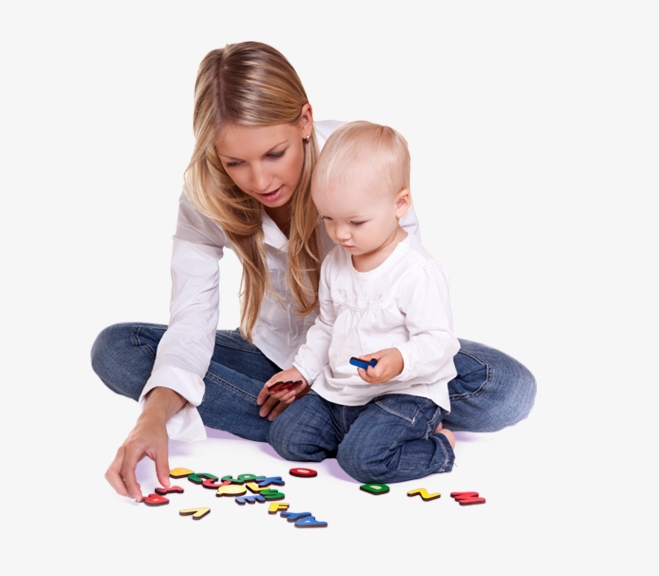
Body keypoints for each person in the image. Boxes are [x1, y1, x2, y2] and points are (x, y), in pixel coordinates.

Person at [91, 41, 537, 501]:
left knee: (507, 390)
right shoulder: (206, 195)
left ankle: (333, 423)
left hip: (374, 360)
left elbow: (405, 293)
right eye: (234, 163)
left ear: (304, 120)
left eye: (274, 153)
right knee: (118, 349)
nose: (260, 182)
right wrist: (151, 418)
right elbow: (191, 320)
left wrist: (386, 370)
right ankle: (360, 431)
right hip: (278, 357)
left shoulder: (364, 166)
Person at [260, 121, 458, 483]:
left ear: (399, 204)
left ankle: (440, 446)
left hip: (403, 393)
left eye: (356, 221)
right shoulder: (337, 260)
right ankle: (362, 437)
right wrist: (302, 370)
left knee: (363, 464)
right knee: (286, 438)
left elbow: (440, 341)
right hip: (343, 390)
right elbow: (327, 324)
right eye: (329, 219)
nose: (340, 233)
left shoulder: (416, 270)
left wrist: (399, 360)